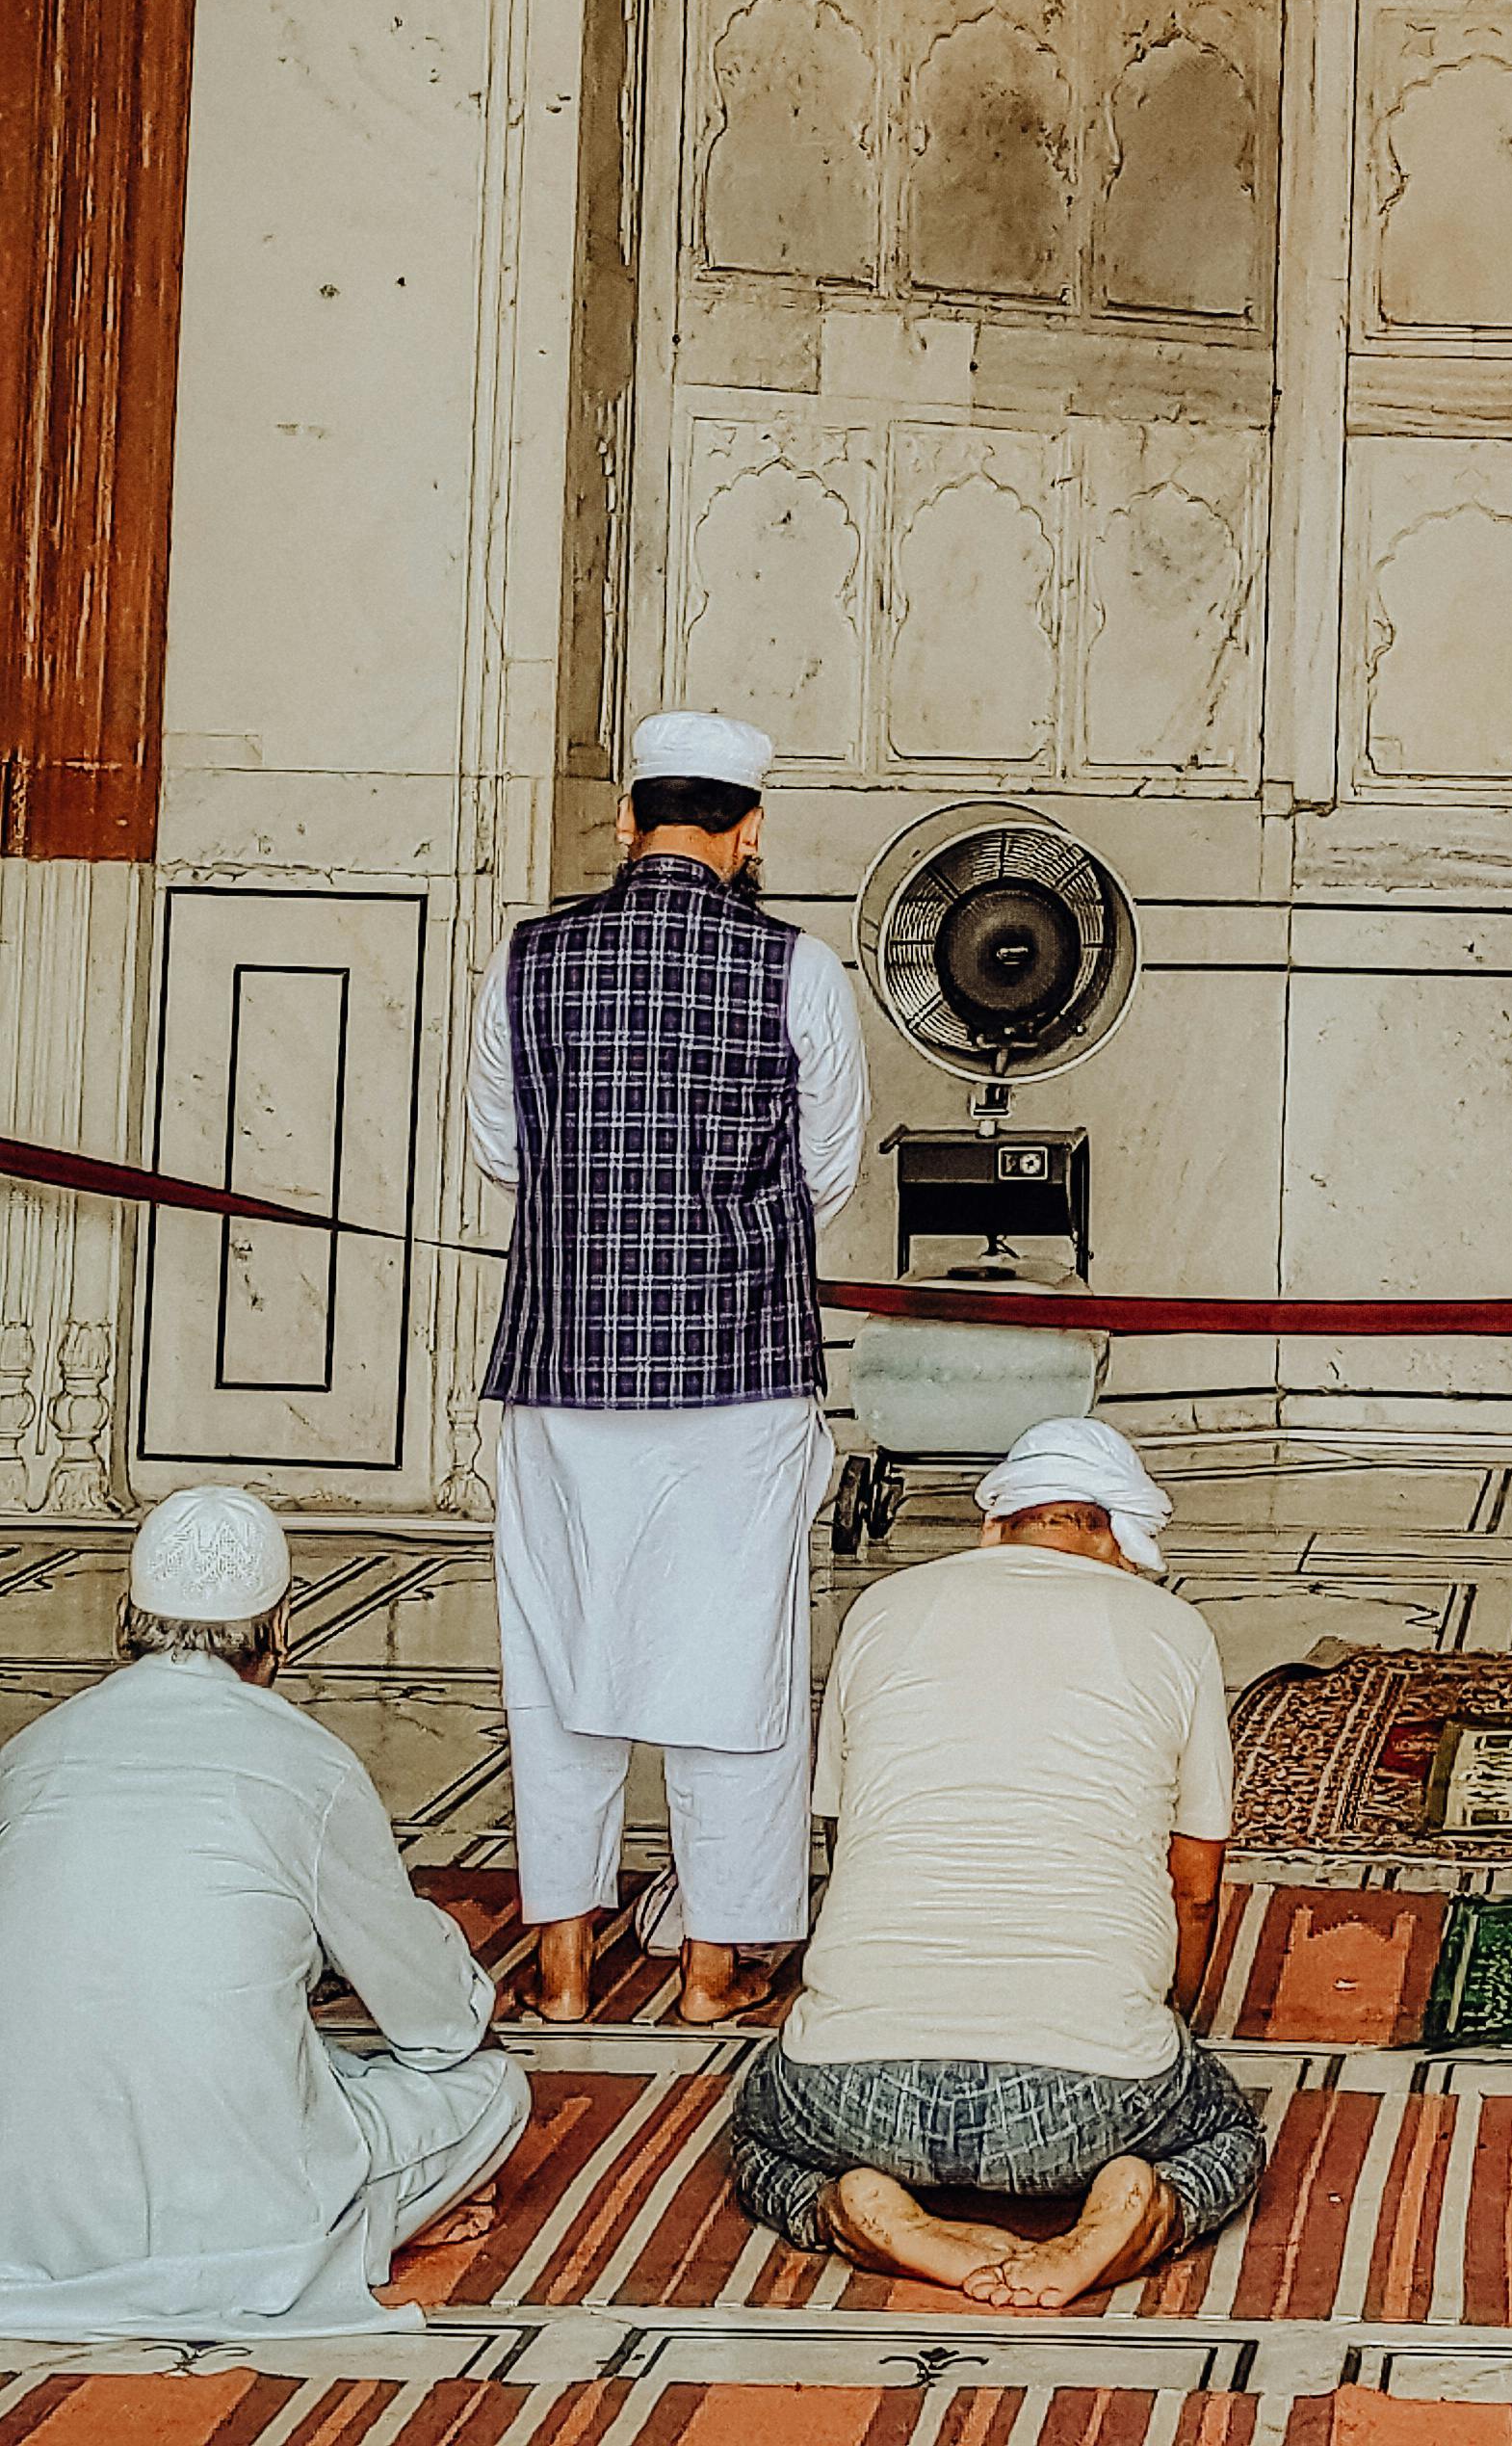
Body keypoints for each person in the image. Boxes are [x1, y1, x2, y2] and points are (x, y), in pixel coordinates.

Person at [471, 702, 870, 2023]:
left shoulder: (527, 961)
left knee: (562, 1663)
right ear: (747, 833)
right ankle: (714, 1965)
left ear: (626, 820)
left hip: (562, 1373)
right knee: (730, 1660)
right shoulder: (796, 969)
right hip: (741, 1377)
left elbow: (500, 1153)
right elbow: (824, 1177)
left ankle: (571, 1962)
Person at [728, 1416, 1264, 2301]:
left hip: (855, 2096)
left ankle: (859, 2211)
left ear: (993, 1525)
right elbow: (1195, 1886)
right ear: (1123, 1542)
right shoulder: (1172, 1632)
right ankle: (1127, 2212)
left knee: (759, 2137)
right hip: (1088, 2108)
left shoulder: (882, 1610)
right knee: (1225, 2139)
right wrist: (1164, 2027)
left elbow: (844, 1837)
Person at [0, 1486, 529, 2340]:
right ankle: (380, 2218)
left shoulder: (28, 1756)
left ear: (125, 1619)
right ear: (282, 1628)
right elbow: (437, 2027)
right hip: (240, 2224)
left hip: (20, 2218)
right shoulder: (309, 1767)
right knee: (492, 2089)